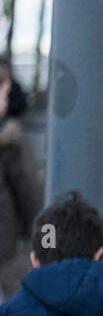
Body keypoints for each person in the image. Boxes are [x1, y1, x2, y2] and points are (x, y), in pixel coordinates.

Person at [0, 60, 41, 299]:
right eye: (3, 94)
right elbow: (32, 198)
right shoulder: (11, 141)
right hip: (5, 258)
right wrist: (47, 243)